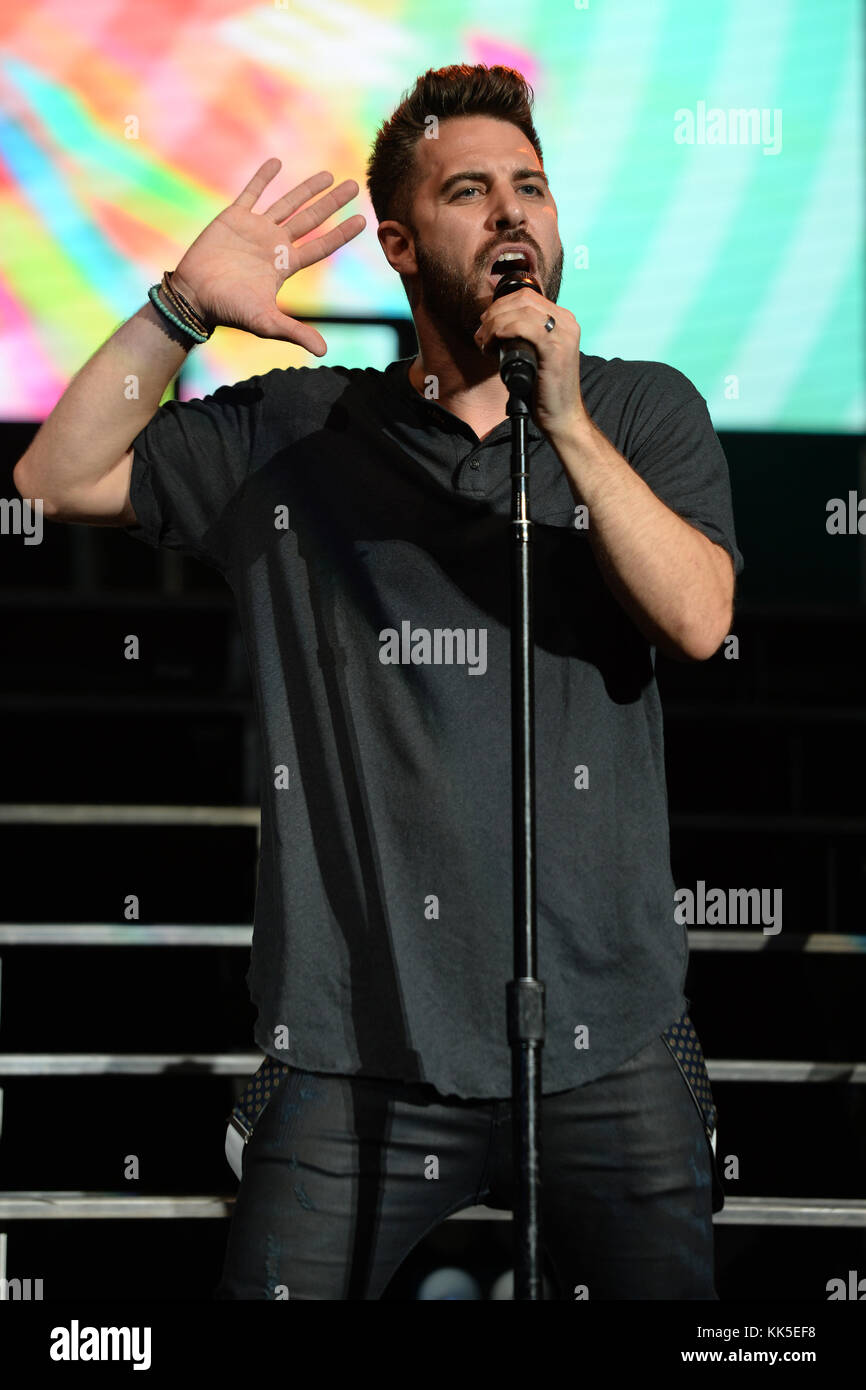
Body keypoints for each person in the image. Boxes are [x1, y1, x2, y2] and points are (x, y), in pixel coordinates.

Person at [13, 64, 742, 1300]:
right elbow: (57, 476)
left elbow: (696, 615)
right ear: (399, 245)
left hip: (605, 1038)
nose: (513, 214)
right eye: (470, 191)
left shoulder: (635, 409)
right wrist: (179, 310)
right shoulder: (298, 434)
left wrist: (563, 422)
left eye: (531, 187)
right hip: (356, 1049)